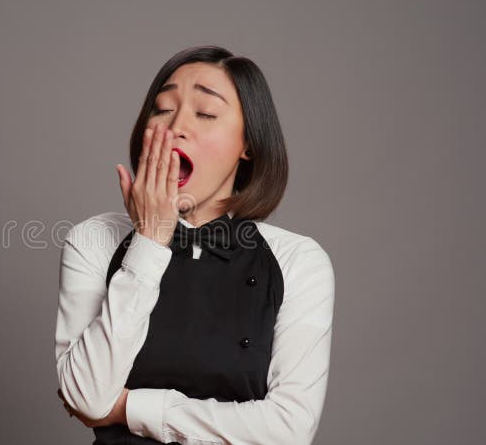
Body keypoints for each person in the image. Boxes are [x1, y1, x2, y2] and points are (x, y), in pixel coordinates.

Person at [54, 45, 335, 445]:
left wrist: (131, 408)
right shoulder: (93, 240)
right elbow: (86, 396)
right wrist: (150, 240)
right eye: (163, 108)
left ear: (248, 144)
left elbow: (289, 429)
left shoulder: (299, 262)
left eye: (205, 113)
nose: (175, 127)